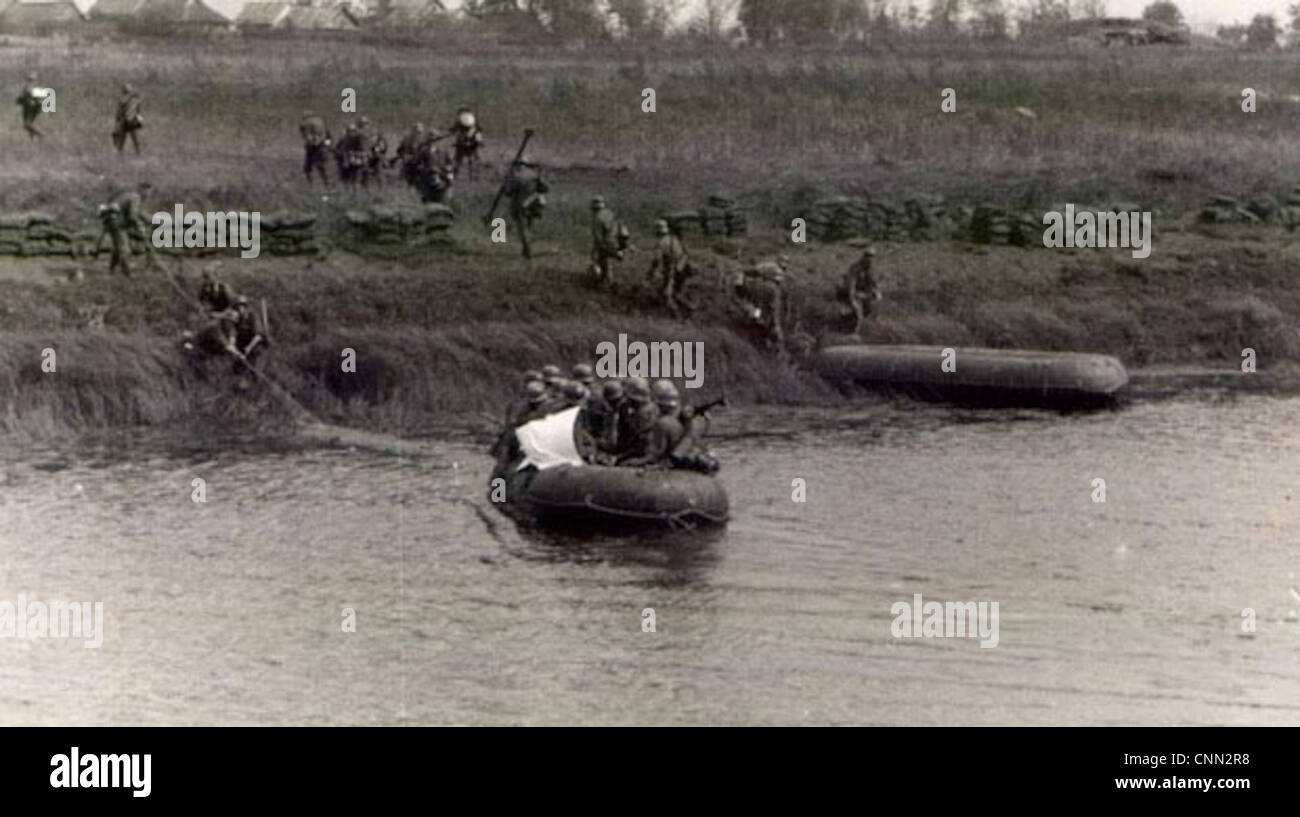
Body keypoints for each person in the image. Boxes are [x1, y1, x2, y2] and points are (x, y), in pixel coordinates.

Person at [646, 219, 695, 317]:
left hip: (673, 270)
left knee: (666, 295)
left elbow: (656, 260)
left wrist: (650, 272)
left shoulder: (662, 243)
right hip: (683, 268)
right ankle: (690, 308)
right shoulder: (674, 238)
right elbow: (685, 254)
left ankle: (677, 316)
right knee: (676, 293)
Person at [503, 154, 547, 260]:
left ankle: (527, 250)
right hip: (534, 205)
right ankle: (526, 249)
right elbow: (545, 188)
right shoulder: (534, 175)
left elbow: (508, 192)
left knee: (522, 229)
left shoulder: (514, 176)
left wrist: (507, 181)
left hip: (520, 205)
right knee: (529, 227)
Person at [614, 377, 659, 464]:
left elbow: (643, 443)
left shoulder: (649, 412)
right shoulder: (625, 407)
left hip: (644, 454)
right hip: (630, 450)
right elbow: (622, 436)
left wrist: (621, 456)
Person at [839, 246, 881, 336]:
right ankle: (853, 333)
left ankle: (847, 323)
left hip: (862, 293)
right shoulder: (855, 268)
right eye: (868, 256)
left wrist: (877, 292)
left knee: (868, 310)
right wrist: (853, 300)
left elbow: (873, 282)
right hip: (848, 293)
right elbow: (851, 286)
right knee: (858, 312)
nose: (870, 258)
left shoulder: (870, 269)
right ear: (863, 256)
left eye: (872, 256)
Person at [589, 196, 627, 287]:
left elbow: (598, 238)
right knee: (606, 262)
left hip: (607, 244)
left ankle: (604, 281)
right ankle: (608, 279)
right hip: (616, 243)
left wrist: (597, 249)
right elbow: (621, 227)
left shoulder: (597, 219)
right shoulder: (610, 213)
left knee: (600, 261)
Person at [93, 203, 131, 277]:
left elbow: (103, 235)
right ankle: (112, 271)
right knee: (115, 256)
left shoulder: (112, 221)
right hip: (118, 242)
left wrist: (98, 248)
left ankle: (127, 274)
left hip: (121, 242)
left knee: (122, 256)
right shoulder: (112, 221)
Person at [449, 107, 484, 179]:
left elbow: (479, 131)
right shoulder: (462, 121)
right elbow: (453, 129)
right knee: (459, 160)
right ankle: (458, 175)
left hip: (471, 144)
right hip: (463, 144)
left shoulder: (472, 122)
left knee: (470, 160)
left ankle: (473, 176)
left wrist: (478, 141)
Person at [299, 112, 332, 185]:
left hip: (313, 146)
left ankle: (311, 184)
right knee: (321, 165)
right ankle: (326, 182)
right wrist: (328, 144)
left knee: (308, 167)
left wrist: (309, 144)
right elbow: (327, 134)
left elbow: (308, 136)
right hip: (322, 145)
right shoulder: (320, 121)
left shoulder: (305, 123)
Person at [113, 83, 143, 155]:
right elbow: (138, 111)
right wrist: (140, 119)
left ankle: (120, 153)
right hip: (130, 120)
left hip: (126, 121)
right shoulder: (135, 99)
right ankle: (138, 152)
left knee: (123, 138)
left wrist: (117, 120)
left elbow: (119, 112)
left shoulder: (122, 99)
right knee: (134, 138)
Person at [17, 74, 42, 139]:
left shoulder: (32, 88)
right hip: (27, 107)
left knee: (27, 125)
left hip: (31, 107)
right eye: (29, 80)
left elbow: (37, 99)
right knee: (28, 125)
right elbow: (22, 97)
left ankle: (41, 135)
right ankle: (33, 140)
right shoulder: (27, 87)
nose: (29, 81)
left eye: (31, 80)